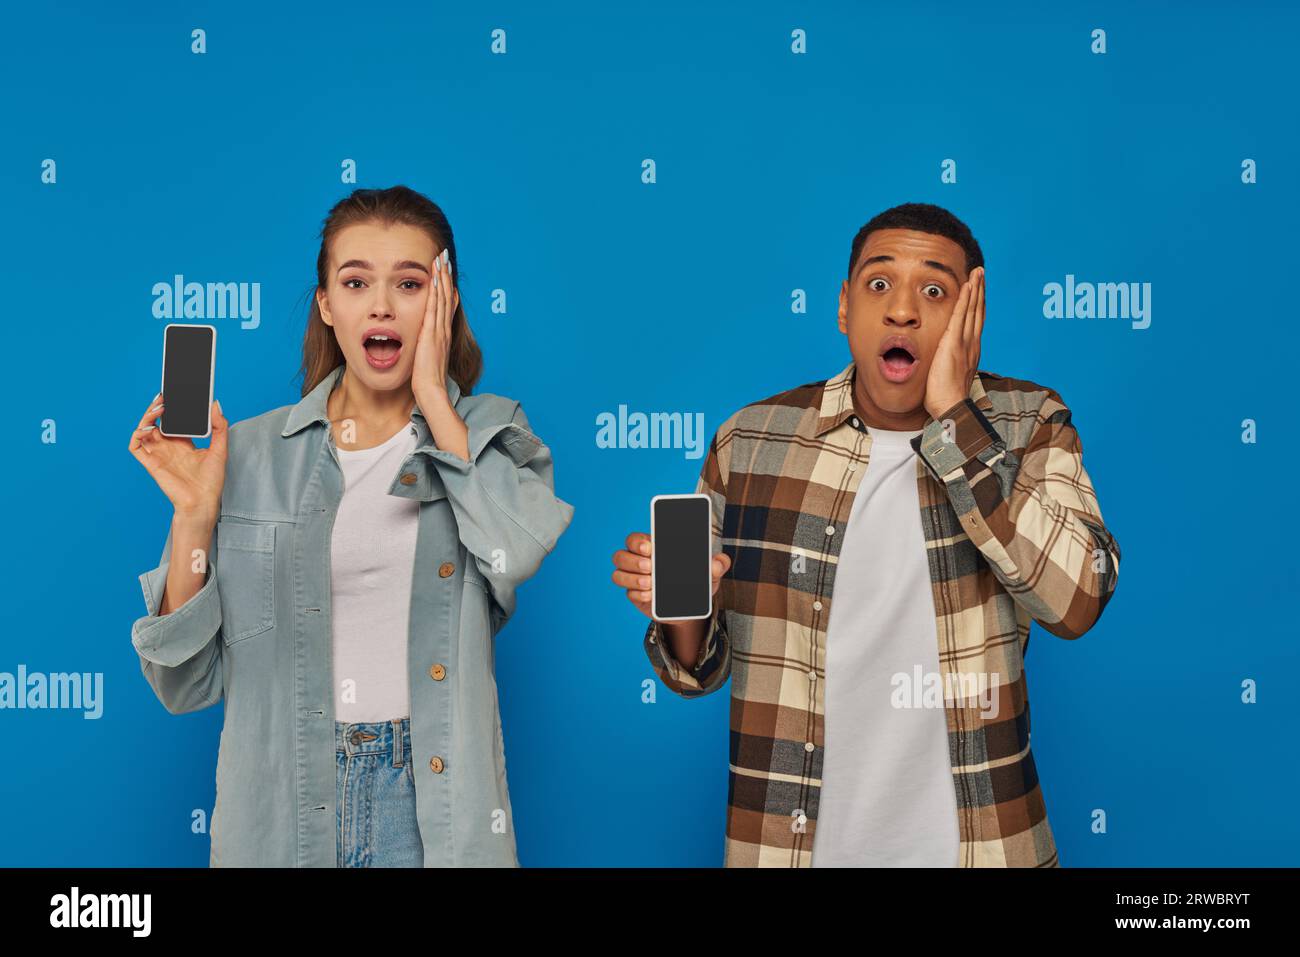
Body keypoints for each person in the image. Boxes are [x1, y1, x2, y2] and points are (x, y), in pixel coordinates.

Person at [611, 202, 1121, 867]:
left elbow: (1078, 599)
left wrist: (957, 419)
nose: (903, 310)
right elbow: (698, 669)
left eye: (933, 290)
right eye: (879, 284)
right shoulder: (754, 441)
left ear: (973, 318)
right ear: (844, 307)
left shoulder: (1029, 426)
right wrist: (677, 610)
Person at [128, 185, 574, 867]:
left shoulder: (489, 437)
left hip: (432, 807)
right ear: (327, 306)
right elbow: (180, 681)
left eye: (410, 281)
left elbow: (512, 551)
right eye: (356, 280)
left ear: (444, 302)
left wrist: (434, 400)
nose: (382, 303)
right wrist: (194, 517)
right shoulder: (246, 454)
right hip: (281, 807)